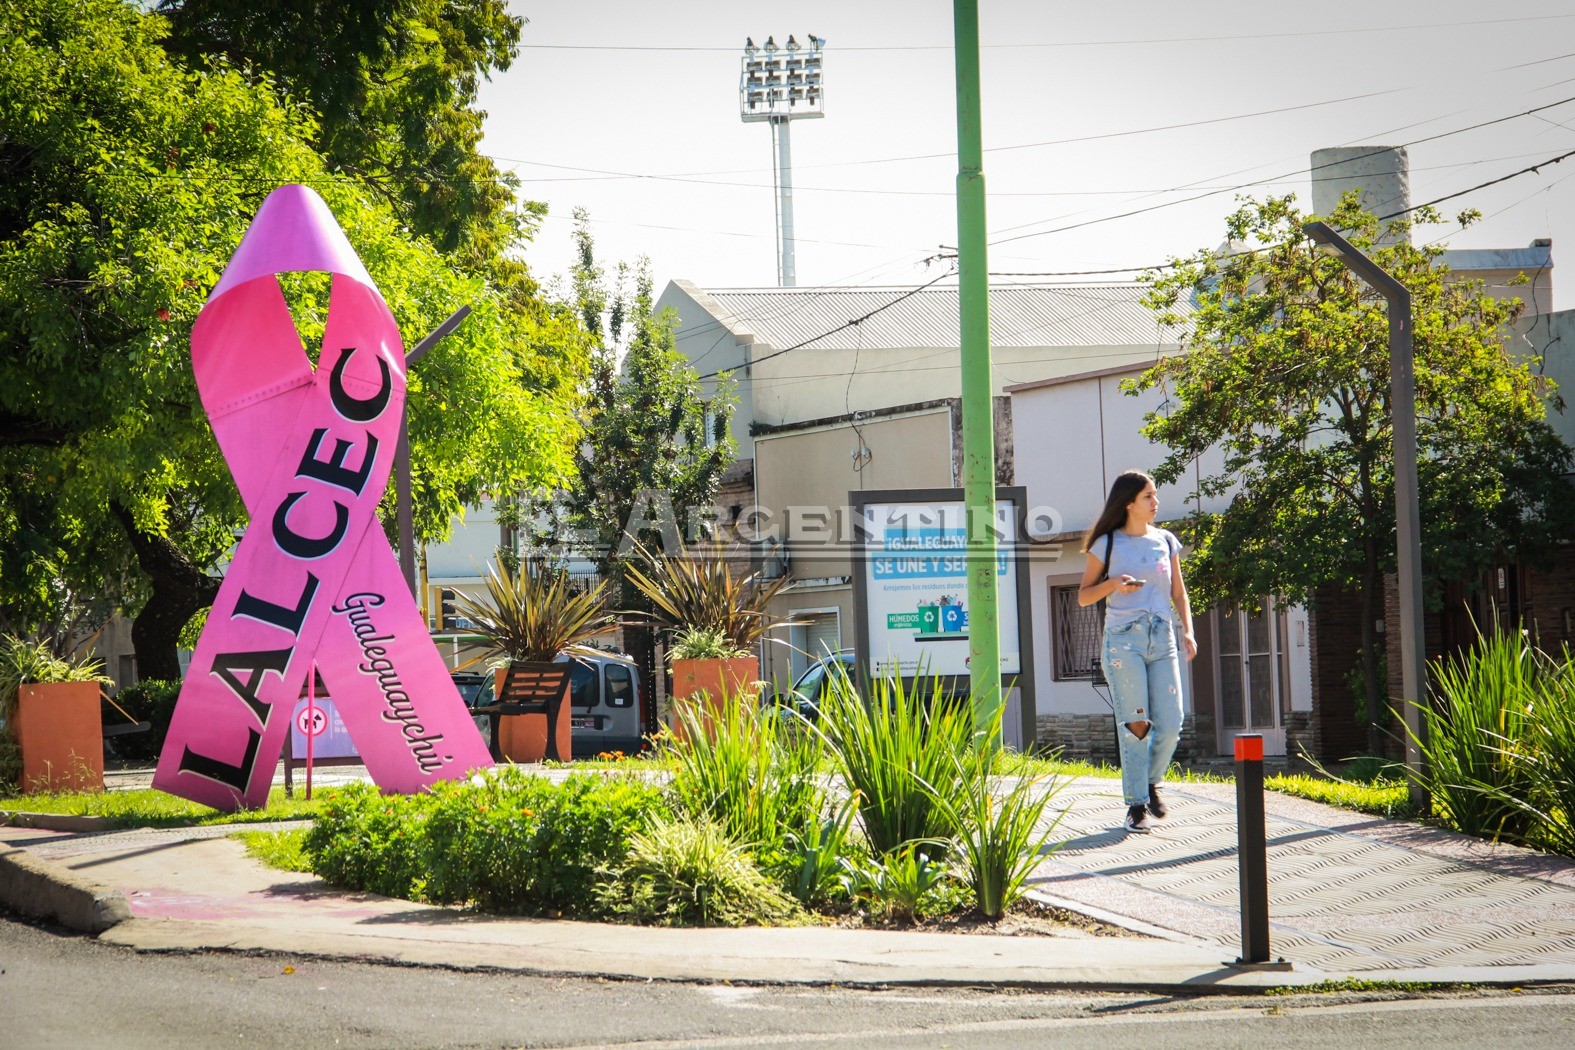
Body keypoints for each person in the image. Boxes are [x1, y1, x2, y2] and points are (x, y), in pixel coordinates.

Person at [1077, 470, 1197, 833]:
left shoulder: (1165, 540)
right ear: (1129, 503)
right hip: (1123, 643)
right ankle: (1136, 806)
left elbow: (1178, 592)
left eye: (1155, 495)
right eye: (1148, 496)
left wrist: (1188, 631)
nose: (1156, 502)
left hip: (1162, 638)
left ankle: (1149, 781)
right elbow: (1084, 595)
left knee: (1173, 721)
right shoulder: (1107, 544)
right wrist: (1113, 584)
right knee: (1136, 725)